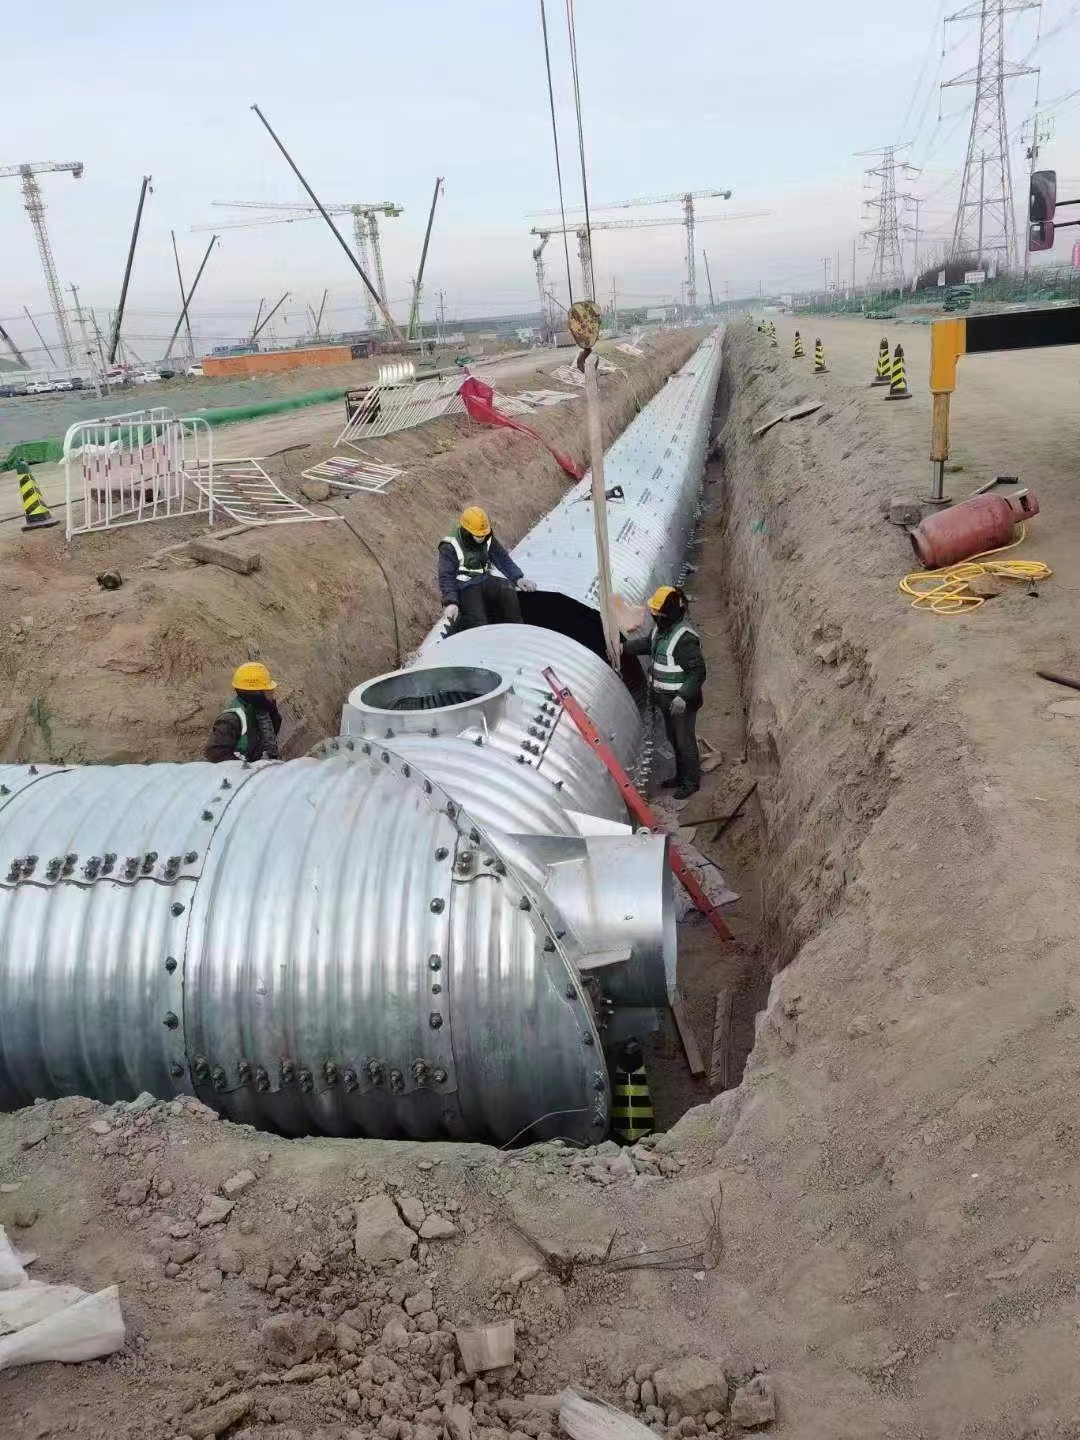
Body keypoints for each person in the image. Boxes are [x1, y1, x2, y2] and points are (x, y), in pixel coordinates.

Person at [625, 585, 706, 800]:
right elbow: (647, 644)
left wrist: (683, 696)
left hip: (681, 703)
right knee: (674, 738)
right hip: (666, 699)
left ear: (667, 614)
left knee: (684, 741)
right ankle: (680, 777)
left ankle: (691, 782)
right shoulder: (661, 630)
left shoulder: (684, 638)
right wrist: (624, 648)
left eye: (657, 613)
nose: (654, 616)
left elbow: (697, 672)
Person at [438, 506, 536, 631]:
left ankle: (516, 629)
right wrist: (451, 602)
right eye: (478, 536)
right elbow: (446, 577)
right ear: (467, 532)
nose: (482, 538)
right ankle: (479, 633)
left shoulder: (487, 537)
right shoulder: (450, 546)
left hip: (483, 579)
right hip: (464, 587)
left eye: (484, 534)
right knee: (477, 618)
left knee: (506, 588)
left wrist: (518, 578)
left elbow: (501, 557)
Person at [205, 662, 283, 763]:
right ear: (256, 693)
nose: (272, 692)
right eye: (268, 690)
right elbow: (215, 753)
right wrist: (247, 768)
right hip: (239, 771)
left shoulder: (262, 708)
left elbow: (275, 729)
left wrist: (271, 709)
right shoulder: (231, 719)